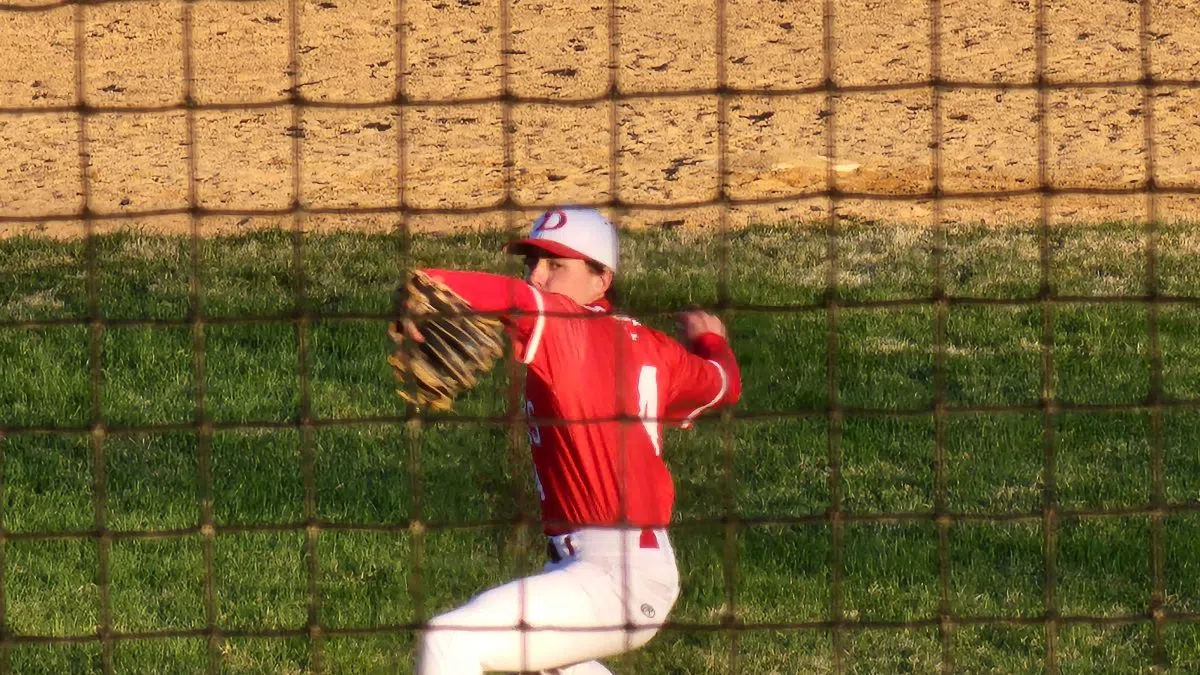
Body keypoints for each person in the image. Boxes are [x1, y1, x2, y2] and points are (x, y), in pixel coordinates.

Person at [403, 206, 742, 674]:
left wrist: (422, 286)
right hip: (605, 572)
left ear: (601, 280)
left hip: (614, 578)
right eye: (533, 263)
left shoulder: (568, 326)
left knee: (451, 641)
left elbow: (509, 296)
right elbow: (723, 384)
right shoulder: (659, 350)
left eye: (556, 265)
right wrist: (710, 341)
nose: (538, 276)